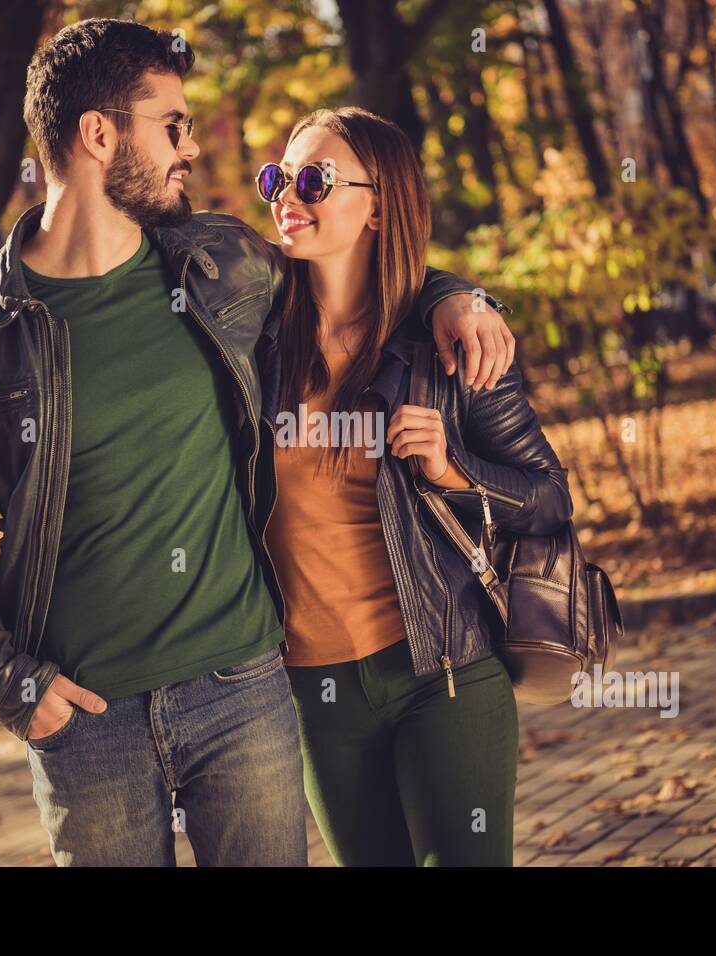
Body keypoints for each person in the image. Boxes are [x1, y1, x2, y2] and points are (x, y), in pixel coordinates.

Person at [0, 19, 515, 866]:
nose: (189, 147)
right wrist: (9, 685)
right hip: (83, 720)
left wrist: (456, 295)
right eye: (173, 126)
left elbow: (353, 268)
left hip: (246, 695)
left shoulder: (220, 264)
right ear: (98, 134)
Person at [255, 107, 574, 865]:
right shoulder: (253, 336)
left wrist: (452, 472)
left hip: (446, 672)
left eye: (315, 179)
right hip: (314, 691)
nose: (286, 196)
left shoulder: (447, 347)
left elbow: (550, 497)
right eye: (278, 178)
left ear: (379, 206)